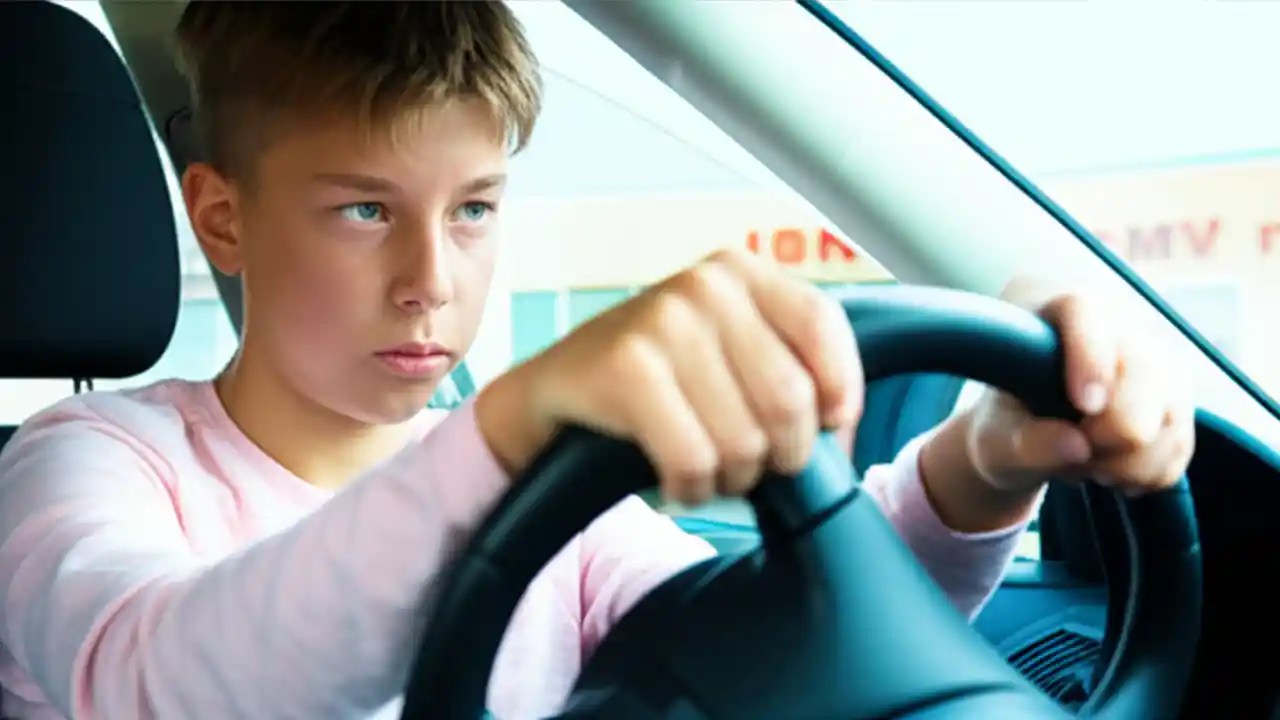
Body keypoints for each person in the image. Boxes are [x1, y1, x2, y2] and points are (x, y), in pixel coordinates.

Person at [0, 3, 1194, 719]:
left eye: (472, 209)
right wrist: (509, 430)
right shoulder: (85, 466)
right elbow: (155, 684)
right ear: (222, 218)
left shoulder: (549, 507)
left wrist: (982, 467)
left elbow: (792, 627)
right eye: (364, 211)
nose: (432, 277)